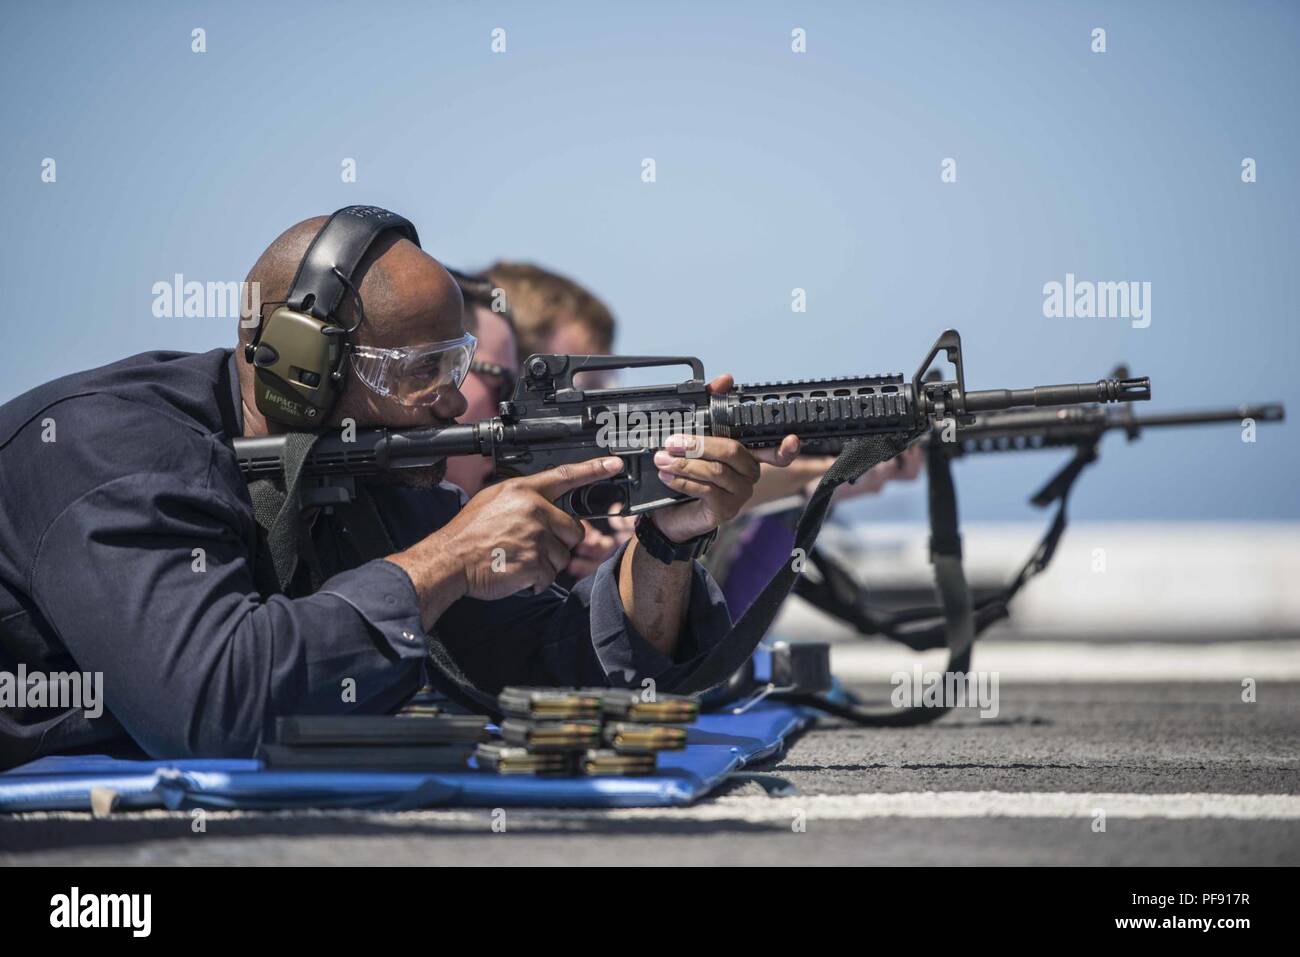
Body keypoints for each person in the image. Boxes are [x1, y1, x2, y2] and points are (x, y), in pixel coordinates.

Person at [0, 208, 796, 767]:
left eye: (455, 366)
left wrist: (667, 541)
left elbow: (564, 671)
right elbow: (210, 703)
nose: (451, 401)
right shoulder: (107, 448)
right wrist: (444, 561)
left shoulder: (368, 473)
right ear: (296, 365)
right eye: (417, 373)